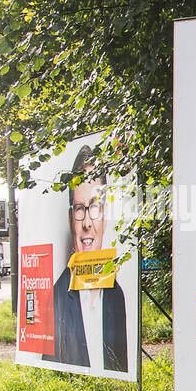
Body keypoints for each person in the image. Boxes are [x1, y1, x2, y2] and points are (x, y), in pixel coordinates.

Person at [44, 146, 128, 372]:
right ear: (71, 218)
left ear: (105, 214)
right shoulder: (55, 299)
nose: (88, 223)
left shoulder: (116, 296)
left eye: (94, 207)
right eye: (80, 209)